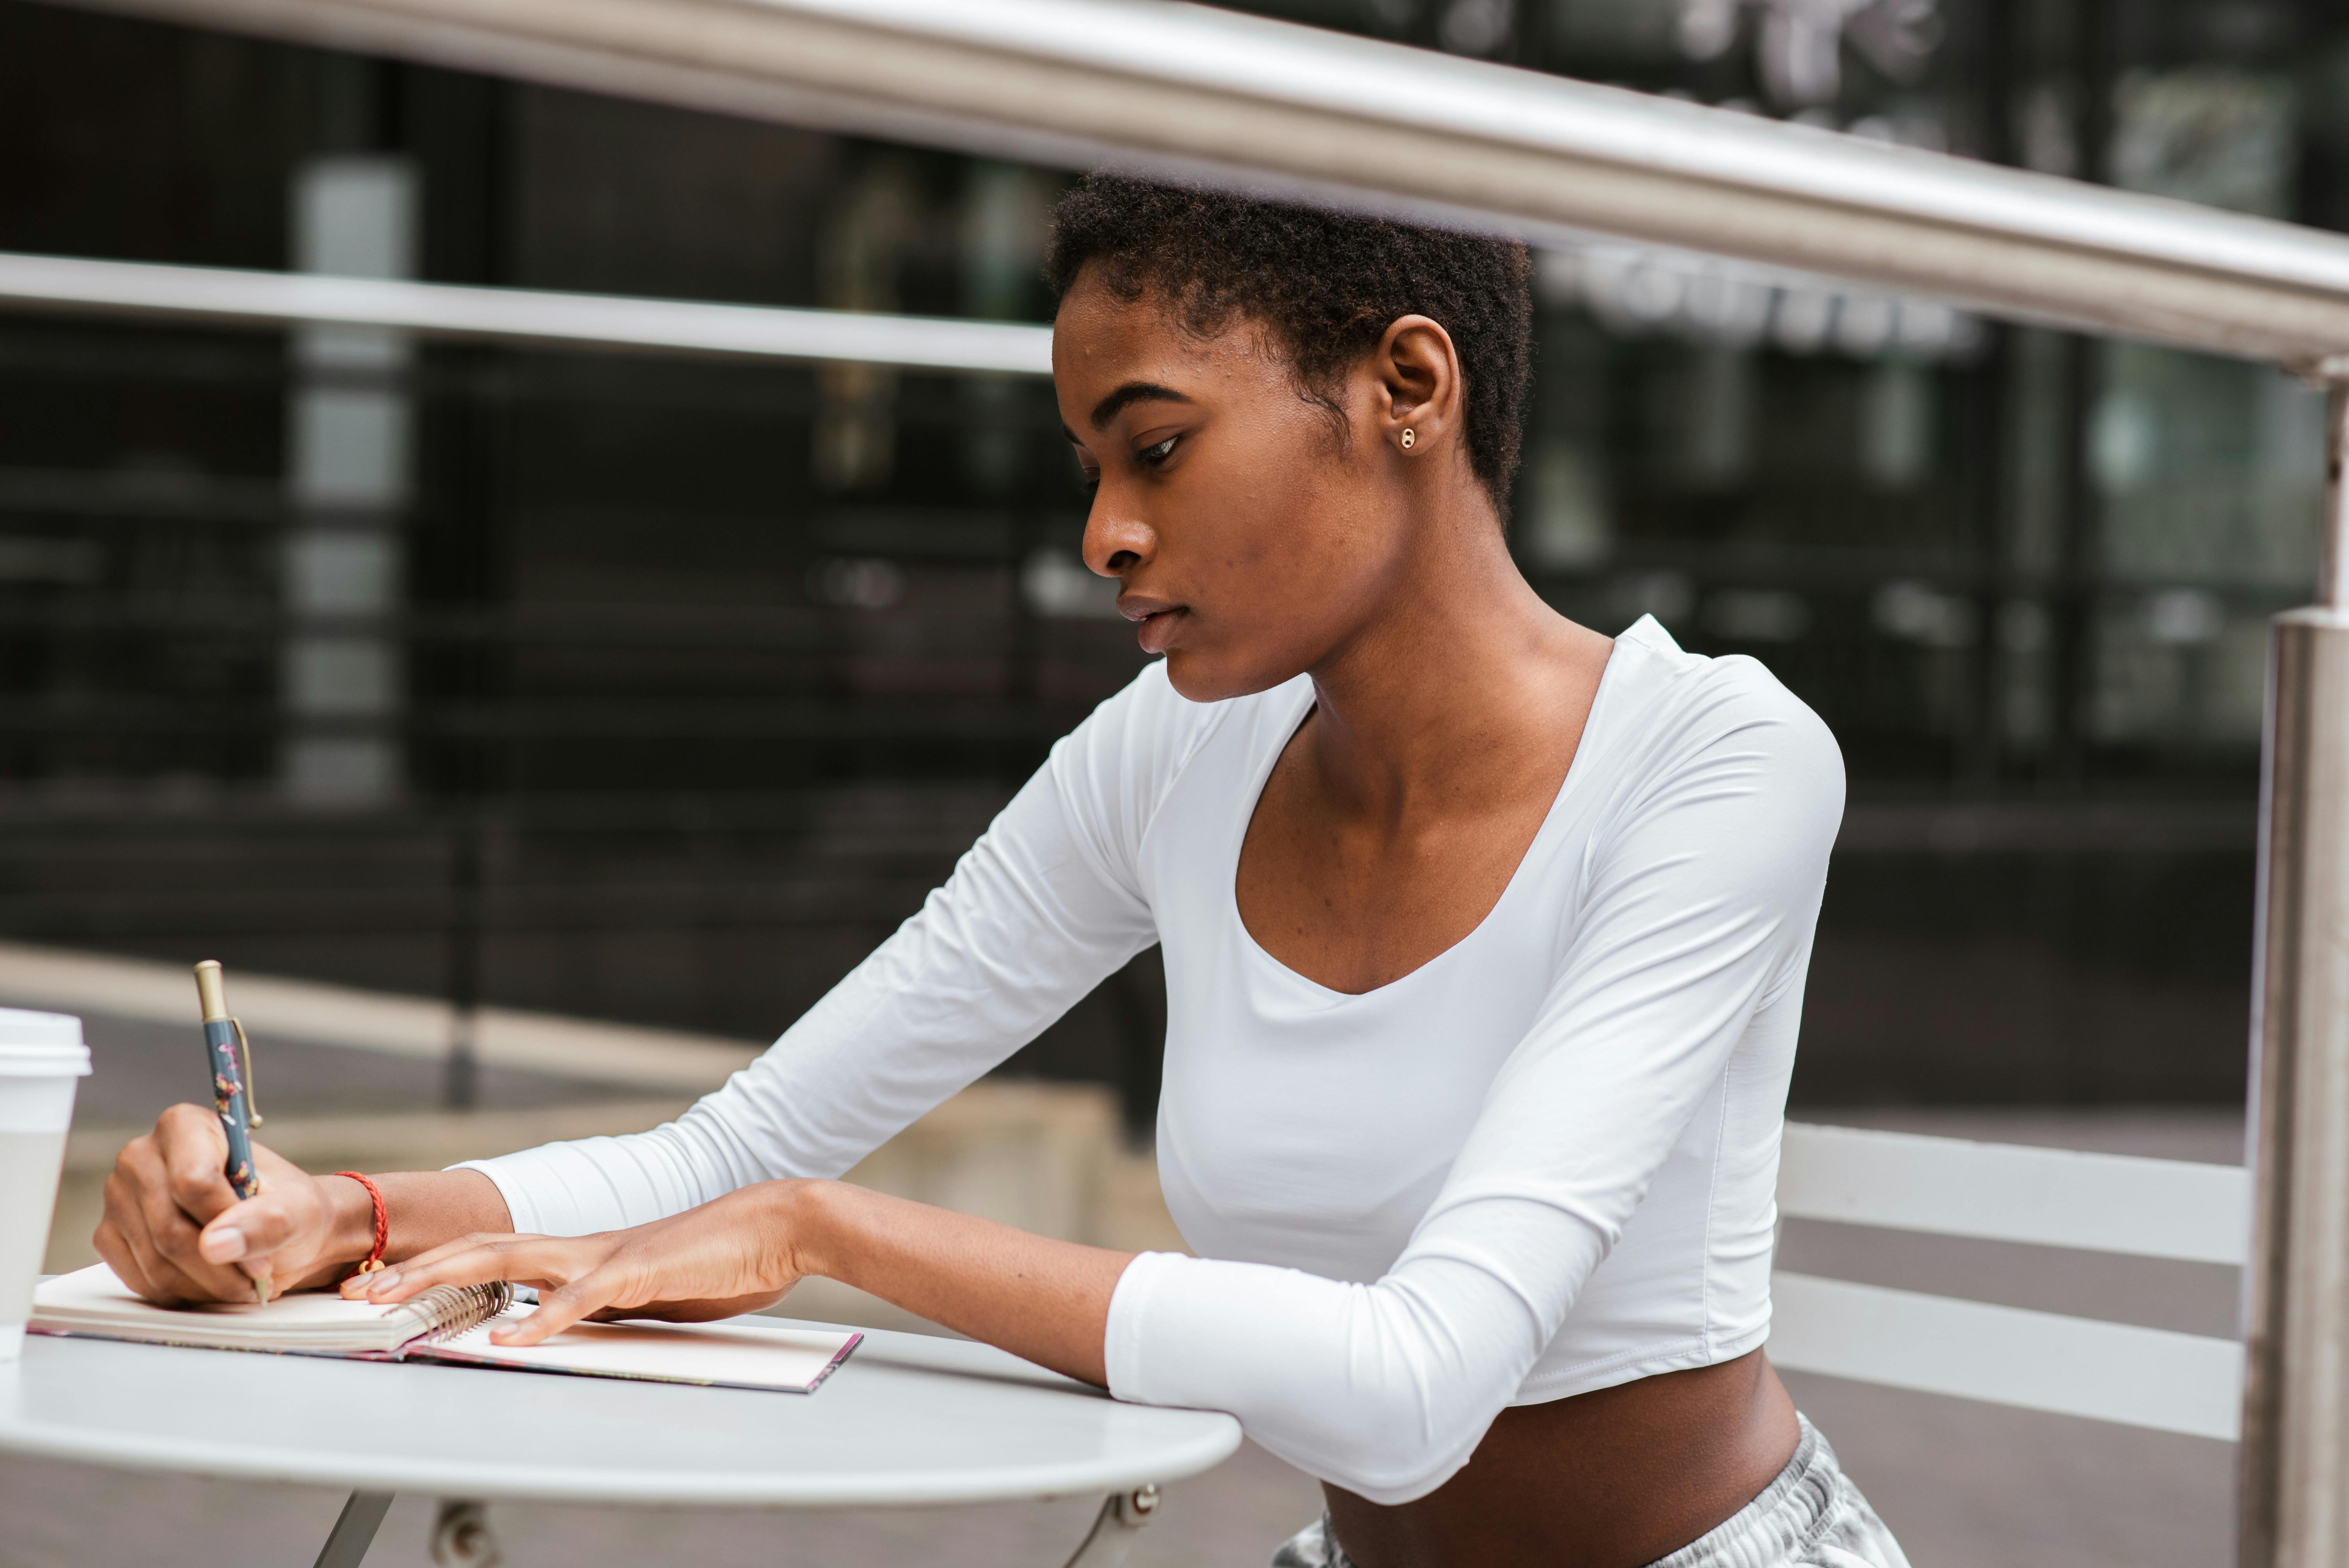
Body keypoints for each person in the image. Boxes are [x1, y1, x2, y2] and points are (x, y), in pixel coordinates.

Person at [97, 176, 1906, 1568]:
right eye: (1089, 464)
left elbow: (1416, 1380)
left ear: (1404, 386)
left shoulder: (1718, 765)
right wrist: (356, 1214)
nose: (1104, 532)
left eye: (1159, 446)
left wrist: (834, 1229)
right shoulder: (1174, 748)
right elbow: (731, 1152)